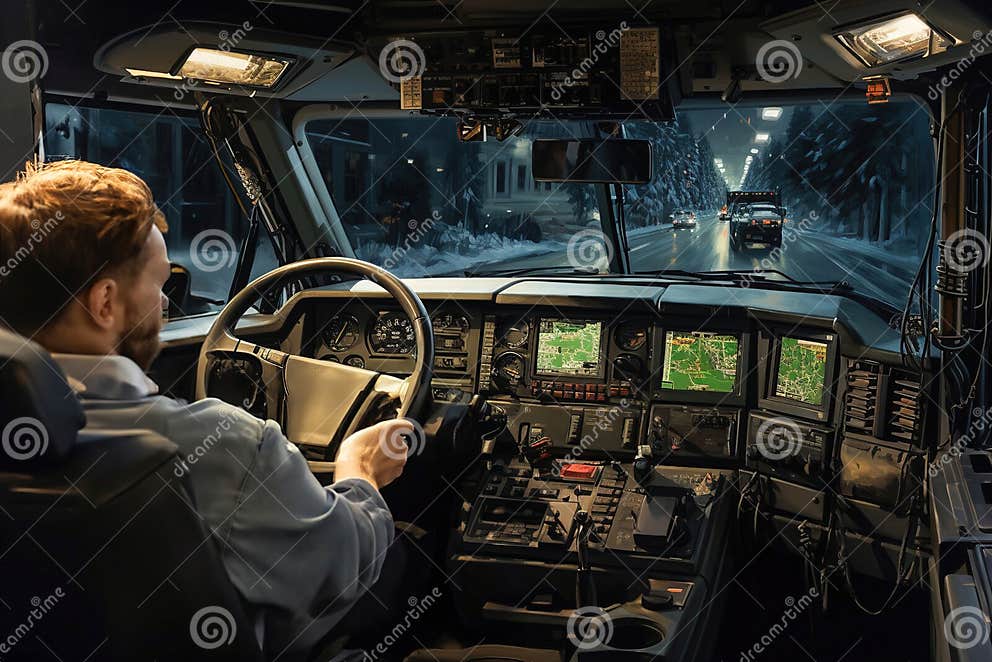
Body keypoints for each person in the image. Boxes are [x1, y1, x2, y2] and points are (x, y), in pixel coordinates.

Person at [0, 160, 412, 659]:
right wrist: (359, 471)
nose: (167, 305)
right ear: (105, 303)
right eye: (159, 286)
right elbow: (344, 565)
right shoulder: (228, 444)